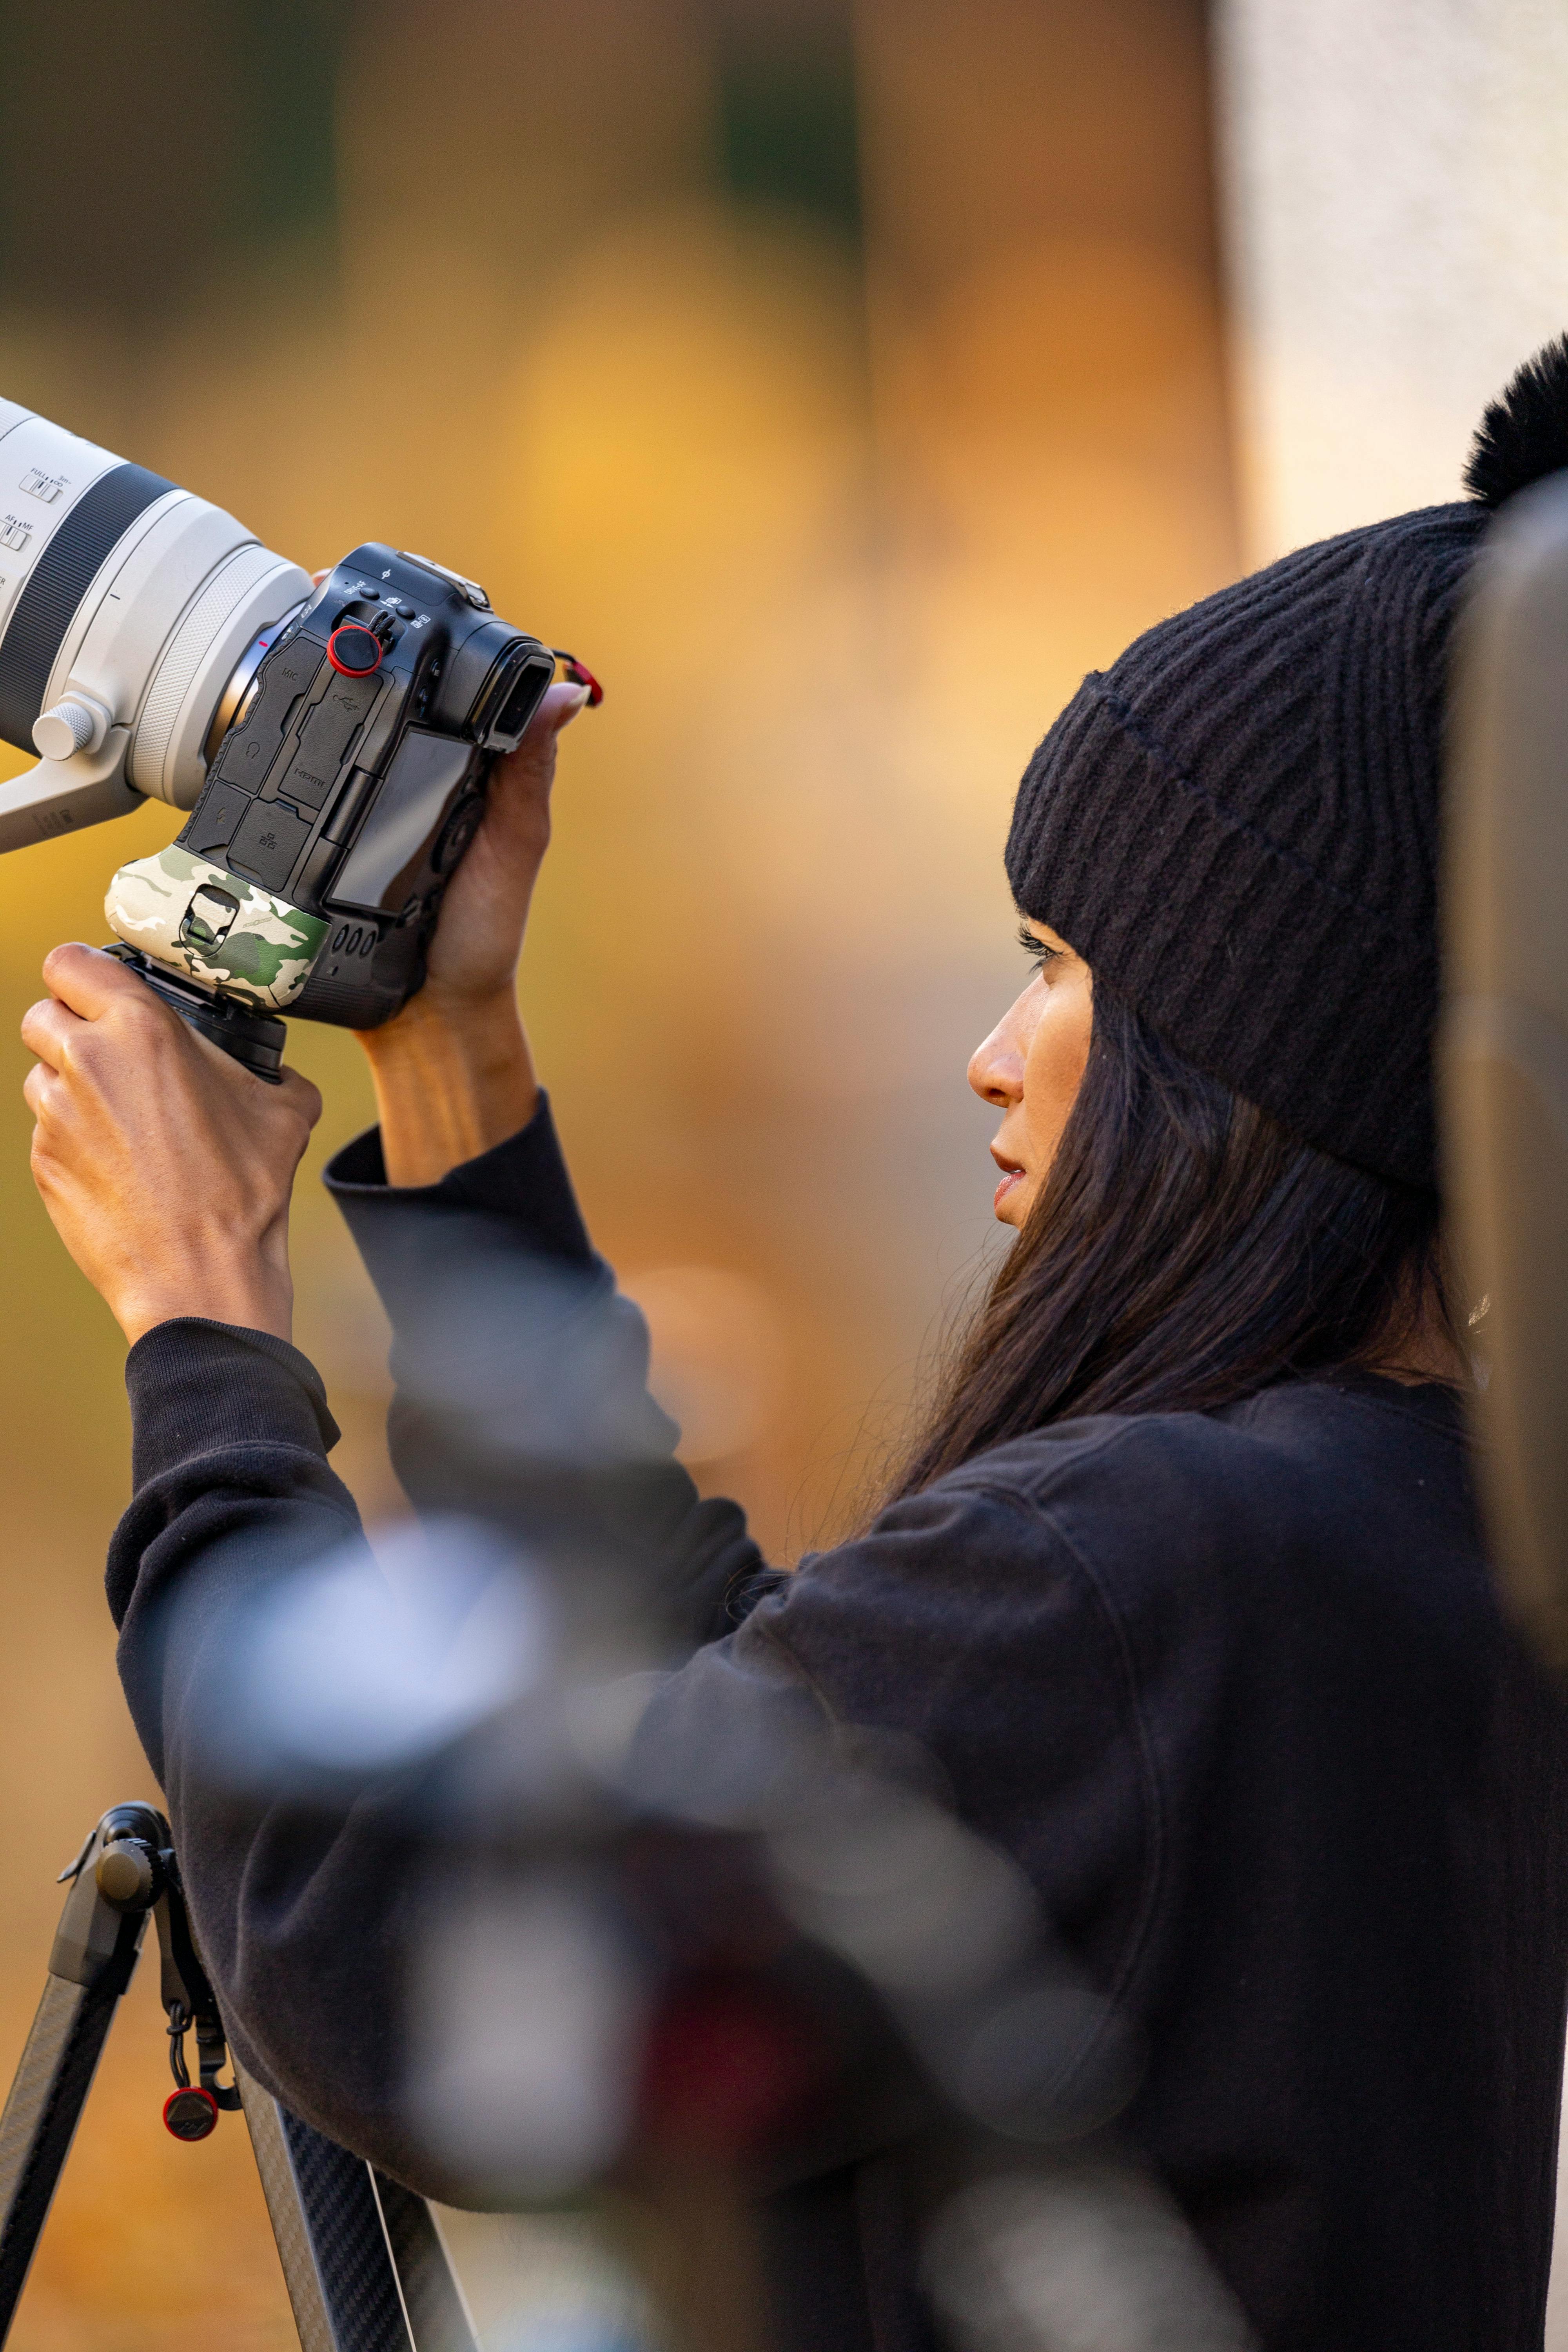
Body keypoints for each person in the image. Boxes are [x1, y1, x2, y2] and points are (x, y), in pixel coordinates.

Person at [20, 340, 1568, 2352]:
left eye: (1060, 971)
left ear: (1267, 1055)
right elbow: (723, 1778)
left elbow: (413, 1977)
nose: (992, 1057)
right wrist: (449, 1047)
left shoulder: (1153, 1564)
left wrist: (204, 1316)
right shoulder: (1401, 1533)